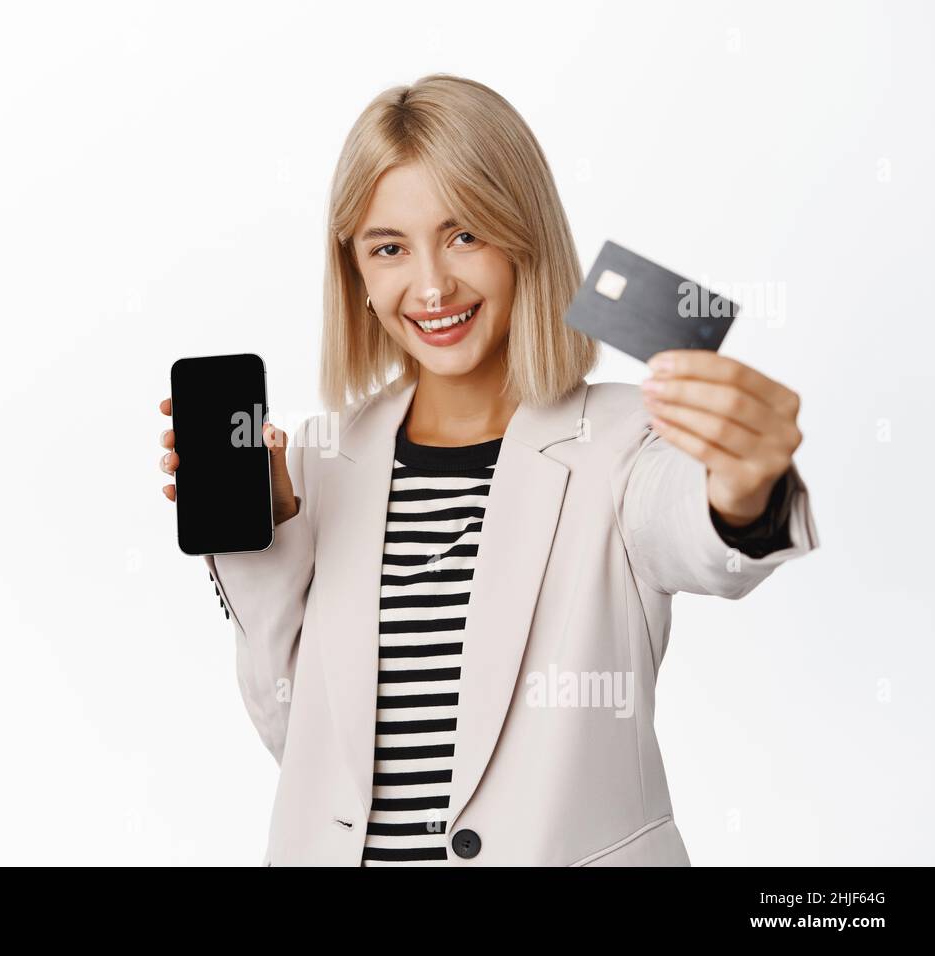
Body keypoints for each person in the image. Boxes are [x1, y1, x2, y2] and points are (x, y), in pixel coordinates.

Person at [158, 74, 819, 866]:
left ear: (524, 235)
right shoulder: (317, 461)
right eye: (390, 248)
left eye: (465, 233)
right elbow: (298, 745)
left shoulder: (622, 437)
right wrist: (264, 540)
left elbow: (691, 525)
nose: (432, 285)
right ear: (358, 276)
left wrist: (743, 487)